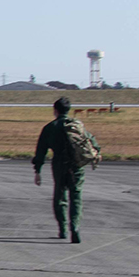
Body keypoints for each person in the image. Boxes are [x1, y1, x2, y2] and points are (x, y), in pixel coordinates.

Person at [32, 96, 97, 243]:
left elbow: (40, 152)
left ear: (55, 110)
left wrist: (38, 171)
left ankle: (62, 229)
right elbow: (92, 141)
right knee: (76, 196)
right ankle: (75, 227)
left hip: (59, 165)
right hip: (77, 165)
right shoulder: (77, 126)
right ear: (69, 110)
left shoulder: (50, 128)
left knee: (60, 196)